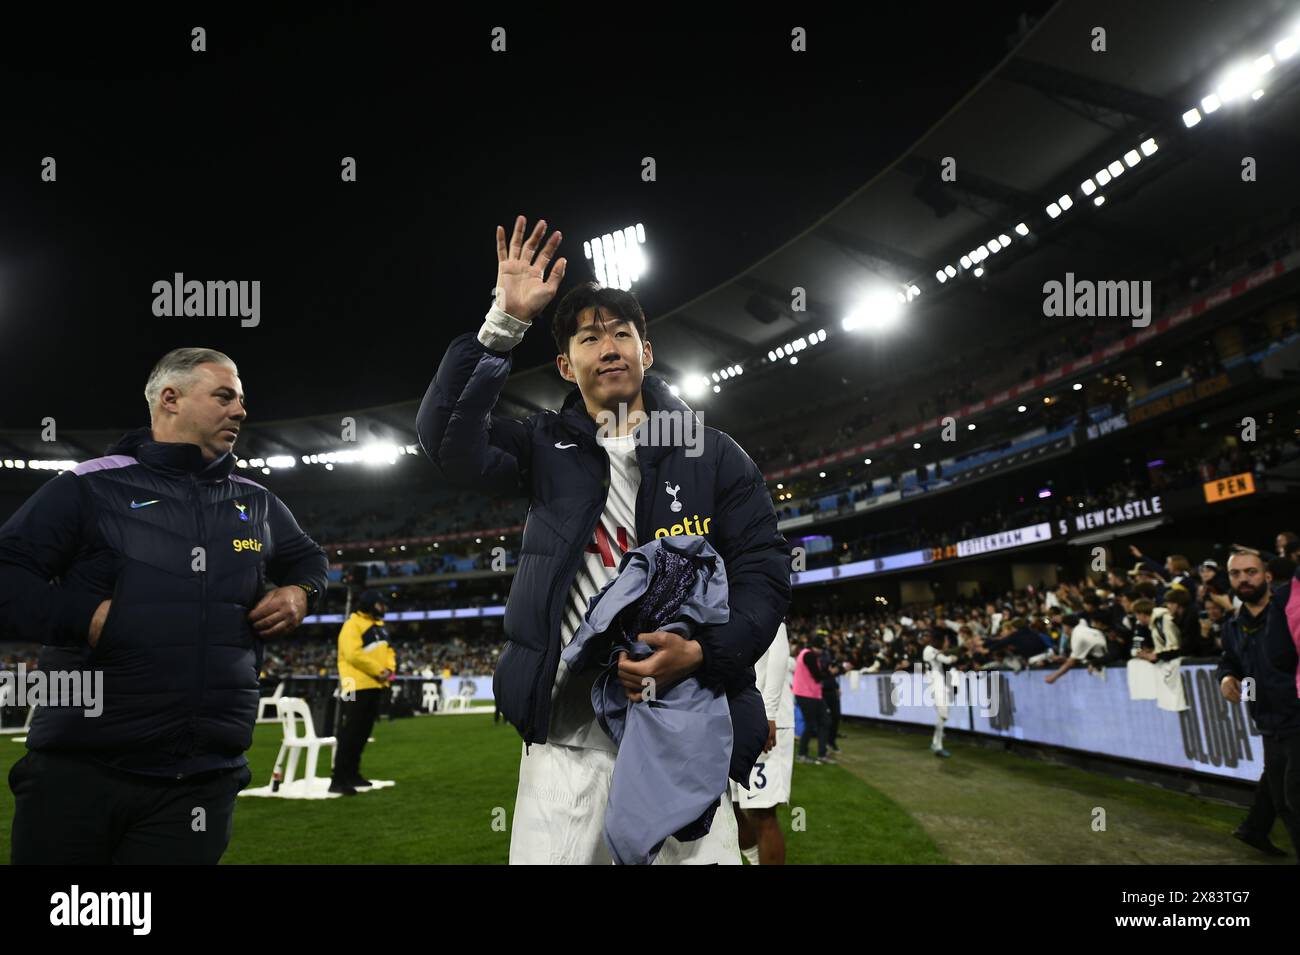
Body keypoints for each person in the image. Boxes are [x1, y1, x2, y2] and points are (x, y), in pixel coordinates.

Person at [416, 216, 790, 864]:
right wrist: (502, 323)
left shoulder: (711, 451)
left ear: (648, 350)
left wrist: (703, 651)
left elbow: (763, 567)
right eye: (590, 337)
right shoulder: (539, 446)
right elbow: (446, 443)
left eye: (623, 333)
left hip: (685, 726)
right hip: (567, 743)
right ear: (565, 363)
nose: (610, 346)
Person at [2, 347, 326, 864]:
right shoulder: (89, 486)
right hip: (80, 771)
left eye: (241, 400)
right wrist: (85, 618)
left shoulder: (256, 501)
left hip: (201, 781)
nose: (240, 411)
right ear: (169, 399)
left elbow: (308, 559)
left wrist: (300, 593)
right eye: (224, 397)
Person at [1216, 549, 1300, 860]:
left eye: (1250, 572)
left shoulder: (1291, 611)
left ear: (1266, 575)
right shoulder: (1233, 625)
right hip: (1268, 723)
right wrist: (1226, 678)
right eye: (1236, 574)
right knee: (1283, 804)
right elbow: (1229, 661)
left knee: (1295, 796)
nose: (1244, 579)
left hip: (1297, 717)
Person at [730, 621, 795, 865]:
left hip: (765, 717)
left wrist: (768, 714)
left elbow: (779, 654)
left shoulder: (761, 595)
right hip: (735, 718)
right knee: (730, 807)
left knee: (762, 812)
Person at [331, 589, 396, 796]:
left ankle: (352, 774)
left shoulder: (380, 628)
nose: (383, 608)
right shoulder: (353, 624)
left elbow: (389, 651)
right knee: (350, 730)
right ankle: (338, 779)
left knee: (362, 732)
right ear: (370, 604)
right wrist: (380, 671)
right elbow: (352, 654)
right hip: (354, 684)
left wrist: (390, 670)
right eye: (380, 604)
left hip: (375, 684)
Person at [793, 636, 830, 764]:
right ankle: (803, 754)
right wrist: (831, 672)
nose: (821, 651)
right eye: (821, 648)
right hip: (807, 694)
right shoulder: (809, 655)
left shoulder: (806, 654)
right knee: (813, 724)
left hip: (811, 694)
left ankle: (821, 753)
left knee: (823, 722)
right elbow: (818, 676)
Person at [922, 630, 957, 758]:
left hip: (938, 684)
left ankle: (936, 742)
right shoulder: (930, 650)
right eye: (945, 640)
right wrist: (954, 657)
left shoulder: (931, 650)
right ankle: (938, 744)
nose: (946, 642)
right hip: (936, 685)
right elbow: (947, 660)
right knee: (943, 714)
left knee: (942, 715)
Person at [1045, 614, 1108, 684]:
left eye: (1063, 626)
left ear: (1066, 626)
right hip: (1104, 652)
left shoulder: (1077, 637)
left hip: (1105, 662)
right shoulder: (1081, 625)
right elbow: (1080, 620)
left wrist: (1054, 677)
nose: (1063, 629)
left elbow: (1071, 662)